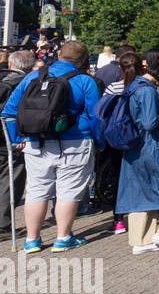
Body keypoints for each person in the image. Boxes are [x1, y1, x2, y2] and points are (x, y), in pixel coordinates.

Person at [1, 40, 101, 253]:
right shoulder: (85, 81)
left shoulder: (33, 76)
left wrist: (17, 138)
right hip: (75, 142)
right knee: (68, 190)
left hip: (37, 141)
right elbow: (95, 117)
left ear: (59, 55)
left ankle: (32, 240)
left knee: (37, 190)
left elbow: (9, 111)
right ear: (83, 60)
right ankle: (63, 237)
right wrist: (99, 141)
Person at [113, 51, 159, 255]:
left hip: (135, 148)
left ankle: (140, 240)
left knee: (140, 194)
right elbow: (148, 123)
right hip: (152, 146)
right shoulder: (147, 90)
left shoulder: (134, 84)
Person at [90, 43, 134, 233]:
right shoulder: (142, 84)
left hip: (114, 135)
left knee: (115, 174)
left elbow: (100, 111)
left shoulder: (105, 76)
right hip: (135, 136)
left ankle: (118, 219)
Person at [0, 50, 34, 233]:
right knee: (10, 182)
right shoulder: (25, 84)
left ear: (11, 64)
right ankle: (3, 225)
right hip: (11, 140)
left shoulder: (2, 80)